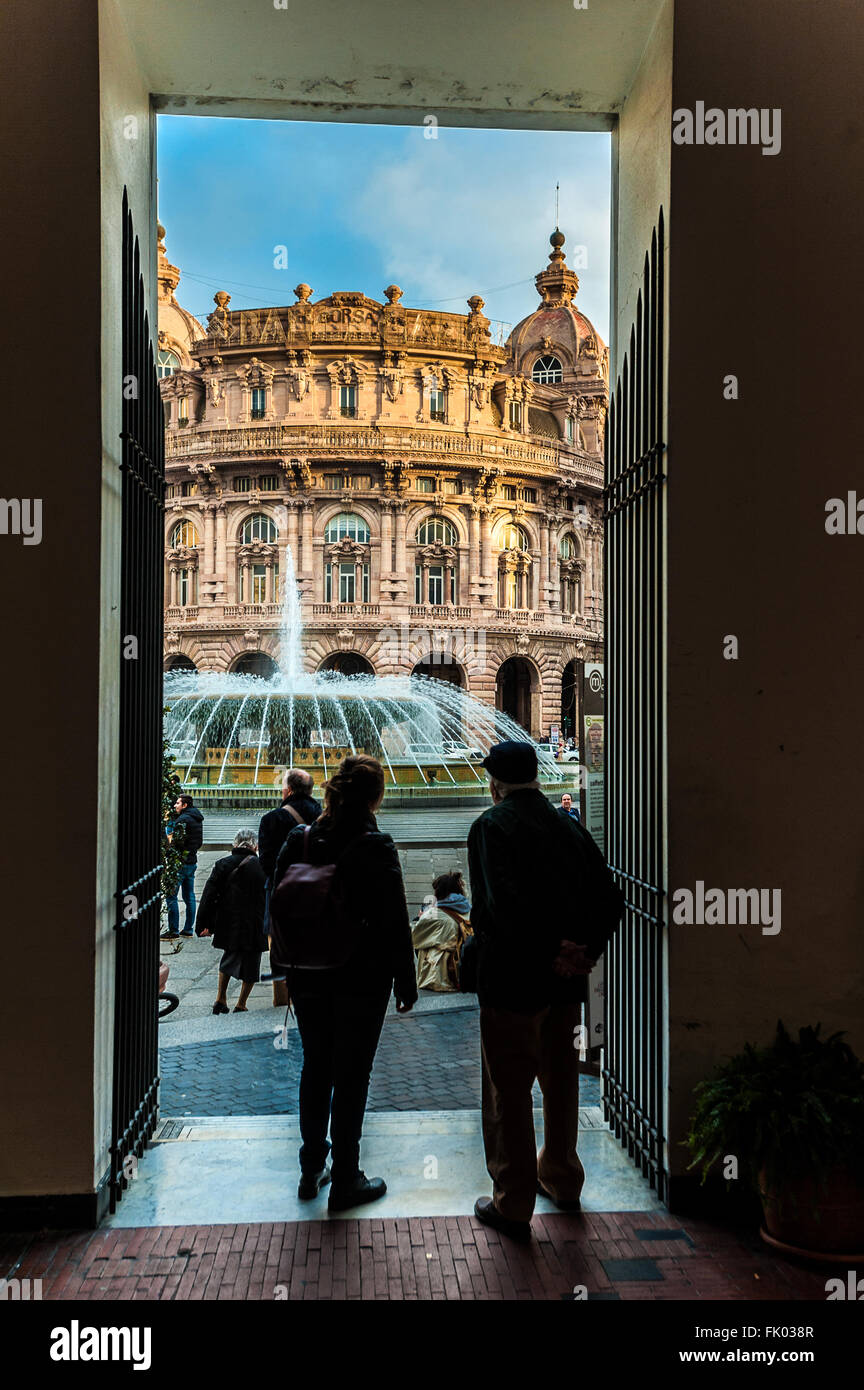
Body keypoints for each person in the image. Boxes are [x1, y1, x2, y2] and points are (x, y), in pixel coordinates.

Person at [467, 740, 622, 1243]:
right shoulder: (569, 826)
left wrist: (548, 950)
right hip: (565, 982)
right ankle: (562, 1177)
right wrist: (581, 951)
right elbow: (609, 897)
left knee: (508, 1090)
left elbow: (499, 911)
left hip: (513, 981)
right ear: (535, 776)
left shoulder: (491, 827)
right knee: (561, 1079)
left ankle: (513, 1202)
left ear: (494, 784)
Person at [271, 755, 417, 1211]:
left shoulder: (302, 837)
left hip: (308, 972)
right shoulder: (376, 845)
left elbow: (278, 901)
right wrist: (406, 981)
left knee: (316, 1065)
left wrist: (286, 965)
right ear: (375, 796)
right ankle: (347, 1177)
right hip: (361, 975)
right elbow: (395, 920)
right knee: (353, 1073)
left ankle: (311, 1166)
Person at [258, 769, 322, 1005]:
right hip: (318, 896)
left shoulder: (272, 819)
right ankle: (309, 996)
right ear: (311, 790)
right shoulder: (324, 816)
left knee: (280, 949)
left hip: (282, 898)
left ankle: (283, 1001)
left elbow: (265, 864)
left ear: (289, 790)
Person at [196, 828, 267, 1014]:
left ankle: (221, 998)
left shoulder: (223, 864)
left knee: (228, 958)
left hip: (229, 920)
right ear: (255, 846)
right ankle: (241, 1003)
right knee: (252, 963)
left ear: (234, 845)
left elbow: (208, 896)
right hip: (255, 922)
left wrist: (203, 924)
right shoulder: (263, 866)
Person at [412, 871, 472, 992]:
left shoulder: (434, 914)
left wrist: (420, 918)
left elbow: (415, 936)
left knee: (423, 938)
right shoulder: (467, 908)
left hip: (443, 975)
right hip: (465, 966)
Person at [162, 794, 204, 938]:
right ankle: (188, 929)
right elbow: (199, 842)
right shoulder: (197, 819)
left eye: (178, 803)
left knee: (171, 896)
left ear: (185, 805)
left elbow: (176, 842)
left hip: (180, 862)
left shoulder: (183, 820)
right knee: (189, 896)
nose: (175, 805)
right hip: (191, 861)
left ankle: (173, 930)